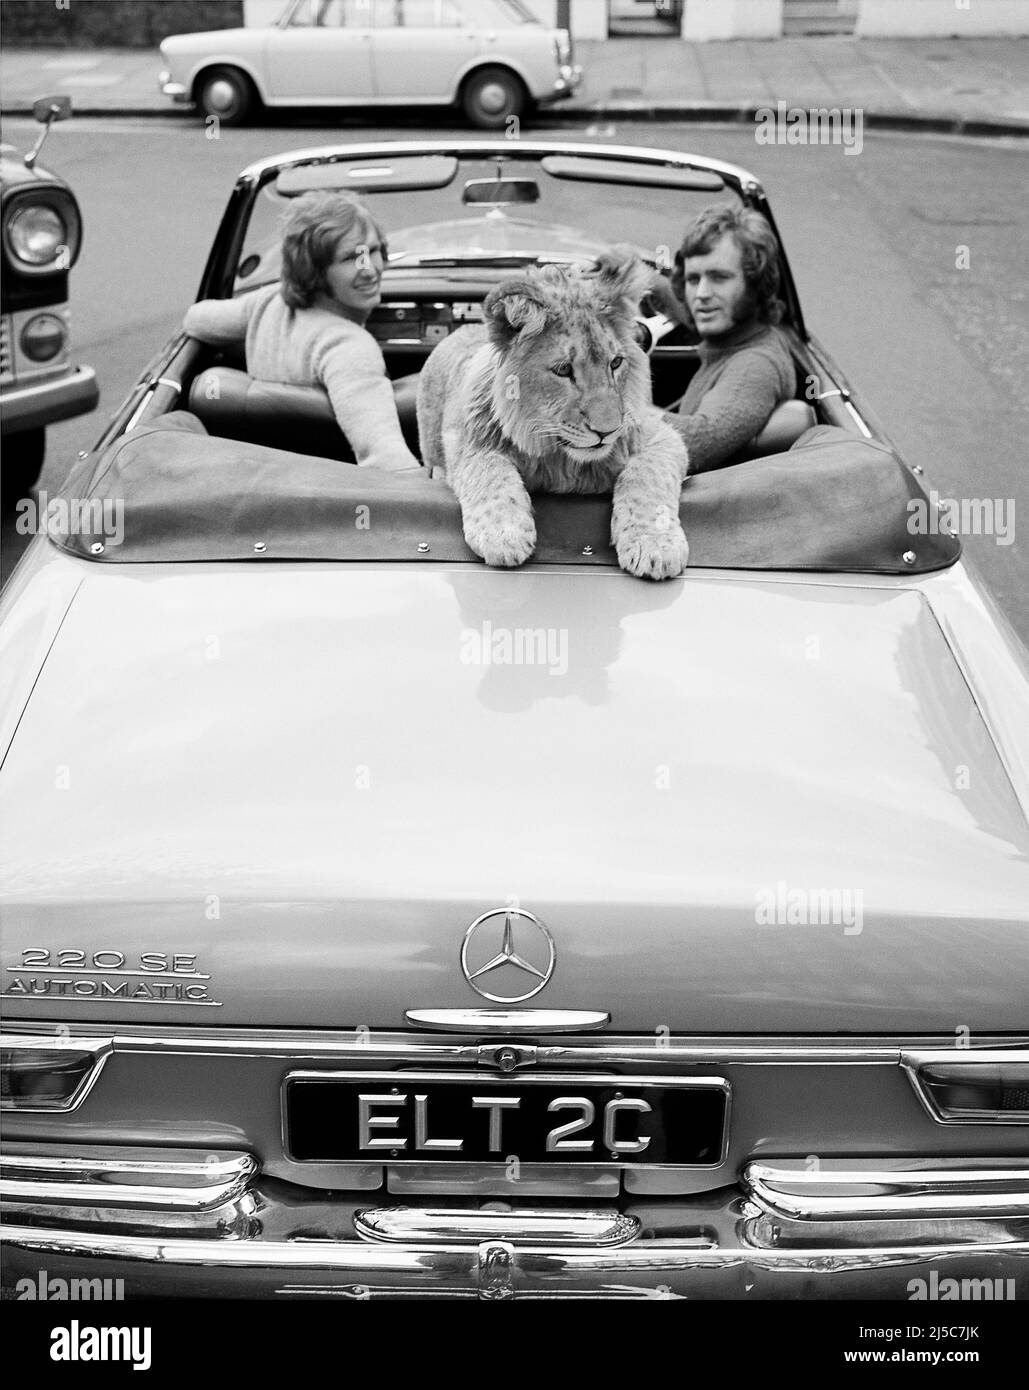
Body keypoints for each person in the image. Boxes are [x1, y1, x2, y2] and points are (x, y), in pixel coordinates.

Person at [183, 191, 420, 472]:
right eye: (349, 258)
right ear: (315, 271)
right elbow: (385, 457)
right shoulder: (350, 349)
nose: (369, 270)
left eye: (372, 251)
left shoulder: (266, 303)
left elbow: (195, 318)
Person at [657, 204, 798, 473]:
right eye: (693, 279)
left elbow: (697, 443)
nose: (701, 294)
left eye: (719, 278)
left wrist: (608, 410)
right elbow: (688, 310)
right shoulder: (731, 334)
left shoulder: (755, 365)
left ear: (755, 284)